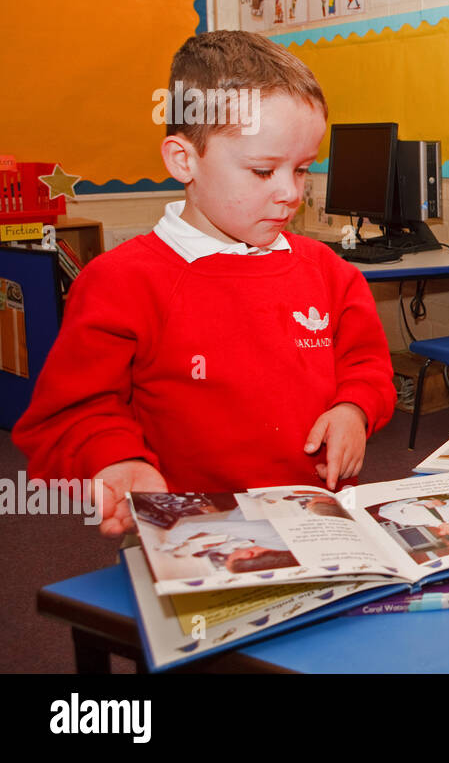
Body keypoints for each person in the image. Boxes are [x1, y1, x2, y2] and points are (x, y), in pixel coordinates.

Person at [13, 31, 396, 539]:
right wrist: (117, 460)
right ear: (183, 160)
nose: (290, 193)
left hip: (319, 528)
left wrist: (354, 408)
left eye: (302, 169)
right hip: (195, 536)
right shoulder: (121, 282)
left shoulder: (328, 271)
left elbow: (367, 366)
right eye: (263, 170)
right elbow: (72, 414)